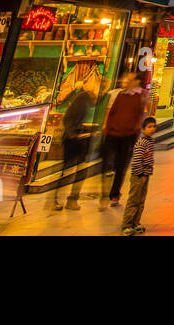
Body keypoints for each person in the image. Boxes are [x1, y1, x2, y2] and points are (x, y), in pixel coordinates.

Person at [100, 73, 146, 206]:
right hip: (113, 133)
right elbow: (111, 112)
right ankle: (105, 190)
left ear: (136, 82)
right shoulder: (119, 94)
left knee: (121, 165)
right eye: (126, 80)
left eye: (129, 80)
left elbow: (141, 115)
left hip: (128, 135)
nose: (126, 82)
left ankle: (114, 193)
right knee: (108, 163)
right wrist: (106, 128)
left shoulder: (140, 96)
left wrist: (137, 133)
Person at [55, 86, 94, 210]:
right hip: (73, 141)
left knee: (76, 171)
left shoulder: (84, 102)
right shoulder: (82, 102)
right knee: (70, 171)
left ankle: (67, 199)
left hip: (77, 140)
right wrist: (73, 133)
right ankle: (61, 200)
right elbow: (68, 119)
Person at [122, 117, 157, 235]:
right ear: (142, 129)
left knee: (141, 201)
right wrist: (140, 173)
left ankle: (136, 223)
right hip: (138, 176)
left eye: (154, 126)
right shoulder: (141, 143)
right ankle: (126, 225)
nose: (152, 129)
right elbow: (137, 160)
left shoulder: (150, 141)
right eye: (149, 127)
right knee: (134, 200)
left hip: (145, 175)